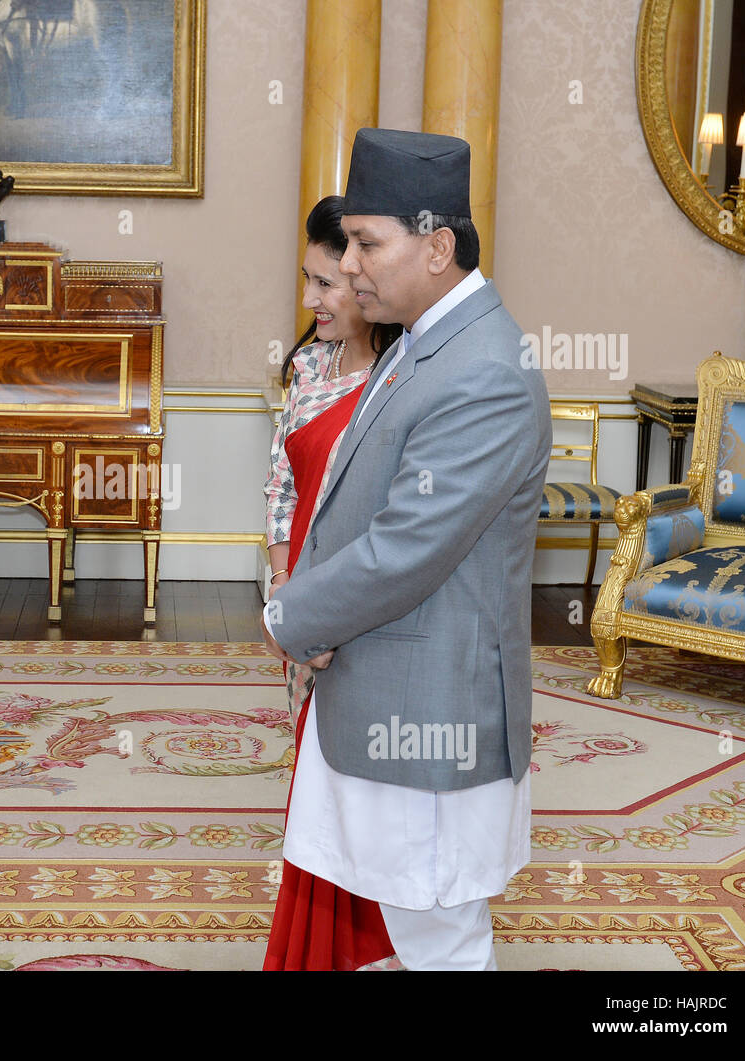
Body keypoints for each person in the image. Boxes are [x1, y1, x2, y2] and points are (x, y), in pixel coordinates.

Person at [261, 128, 552, 971]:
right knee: (410, 925)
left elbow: (407, 548)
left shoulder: (484, 368)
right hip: (392, 689)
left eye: (365, 242)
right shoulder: (426, 337)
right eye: (347, 241)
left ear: (437, 246)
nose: (349, 265)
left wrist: (290, 614)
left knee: (439, 933)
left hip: (432, 707)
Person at [262, 196, 402, 971]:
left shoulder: (405, 374)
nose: (313, 300)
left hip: (372, 612)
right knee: (312, 777)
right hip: (303, 611)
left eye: (327, 283)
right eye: (309, 282)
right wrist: (288, 597)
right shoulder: (308, 368)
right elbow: (280, 489)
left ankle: (376, 946)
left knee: (369, 777)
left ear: (366, 279)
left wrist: (335, 610)